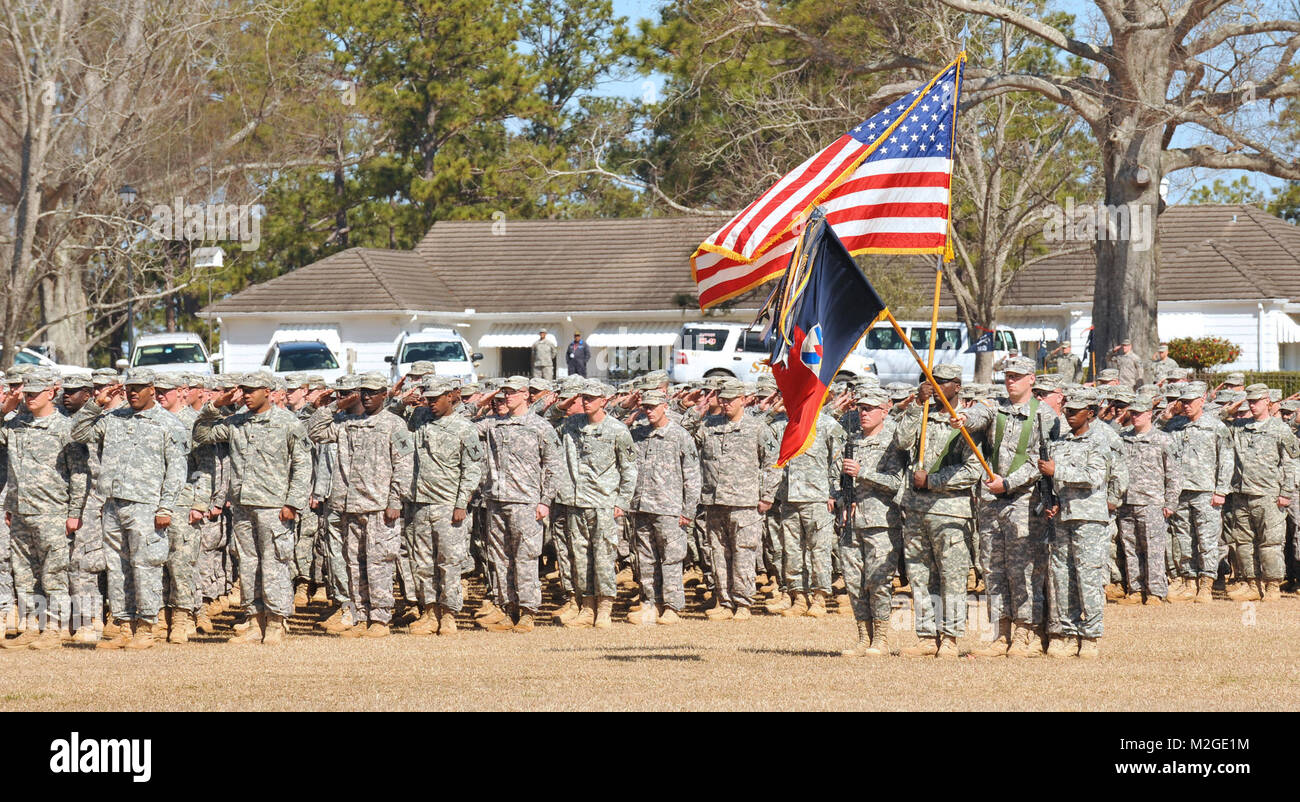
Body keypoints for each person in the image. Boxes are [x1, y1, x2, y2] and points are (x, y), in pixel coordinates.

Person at [70, 368, 188, 650]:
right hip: (112, 504)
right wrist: (96, 403)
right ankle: (124, 626)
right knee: (117, 567)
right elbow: (77, 432)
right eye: (129, 387)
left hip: (147, 506)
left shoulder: (168, 424)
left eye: (139, 387)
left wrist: (166, 506)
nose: (133, 392)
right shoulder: (112, 419)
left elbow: (177, 470)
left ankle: (146, 627)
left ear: (152, 388)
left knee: (145, 565)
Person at [194, 372, 313, 644]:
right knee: (248, 564)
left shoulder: (287, 423)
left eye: (252, 390)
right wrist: (215, 406)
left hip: (274, 506)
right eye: (243, 390)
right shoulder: (236, 423)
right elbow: (201, 434)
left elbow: (302, 465)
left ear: (268, 391)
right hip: (243, 505)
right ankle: (253, 619)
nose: (246, 394)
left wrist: (293, 503)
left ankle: (276, 621)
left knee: (275, 563)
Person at [965, 356, 1060, 658]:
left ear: (1032, 379)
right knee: (993, 567)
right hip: (992, 500)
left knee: (1024, 569)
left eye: (1017, 376)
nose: (1011, 381)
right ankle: (1001, 630)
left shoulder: (1044, 415)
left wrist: (1007, 483)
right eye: (1007, 375)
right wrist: (962, 418)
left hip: (1023, 499)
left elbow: (1040, 461)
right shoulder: (996, 407)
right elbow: (977, 417)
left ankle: (1026, 632)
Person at [307, 372, 414, 638]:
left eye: (372, 392)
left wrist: (394, 500)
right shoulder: (346, 422)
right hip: (348, 505)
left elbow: (404, 465)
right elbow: (314, 431)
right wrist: (336, 406)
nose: (366, 397)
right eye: (362, 392)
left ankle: (379, 618)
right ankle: (360, 616)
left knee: (380, 563)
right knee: (354, 564)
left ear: (384, 394)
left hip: (379, 507)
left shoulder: (394, 424)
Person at [892, 363, 984, 658]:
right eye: (931, 381)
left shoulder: (966, 423)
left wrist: (933, 481)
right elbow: (901, 441)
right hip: (917, 510)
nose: (935, 387)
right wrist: (918, 404)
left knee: (953, 576)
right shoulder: (923, 417)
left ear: (957, 386)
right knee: (920, 575)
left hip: (950, 511)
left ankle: (950, 637)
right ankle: (927, 635)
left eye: (942, 382)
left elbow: (974, 470)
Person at [0, 371, 88, 650]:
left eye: (35, 394)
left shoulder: (66, 428)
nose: (29, 399)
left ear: (51, 393)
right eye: (26, 394)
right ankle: (33, 624)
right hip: (20, 509)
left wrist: (75, 512)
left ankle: (56, 626)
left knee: (54, 572)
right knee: (24, 572)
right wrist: (5, 409)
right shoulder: (15, 425)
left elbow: (79, 474)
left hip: (52, 510)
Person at [477, 376, 561, 630]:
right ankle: (508, 608)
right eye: (505, 392)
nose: (507, 396)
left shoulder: (540, 426)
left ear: (526, 394)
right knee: (500, 558)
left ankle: (527, 611)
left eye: (513, 392)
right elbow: (461, 426)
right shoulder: (492, 424)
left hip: (525, 502)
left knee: (525, 556)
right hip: (496, 500)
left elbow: (553, 467)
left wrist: (545, 500)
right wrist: (484, 399)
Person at [695, 377, 777, 621]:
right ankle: (724, 601)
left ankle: (743, 603)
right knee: (718, 553)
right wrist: (696, 409)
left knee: (743, 552)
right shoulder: (708, 425)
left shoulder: (757, 428)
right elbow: (688, 443)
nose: (726, 403)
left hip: (745, 502)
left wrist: (767, 496)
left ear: (743, 400)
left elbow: (773, 463)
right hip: (714, 501)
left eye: (731, 399)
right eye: (723, 398)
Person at [407, 377, 483, 636]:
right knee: (422, 563)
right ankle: (429, 612)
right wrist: (403, 400)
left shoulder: (464, 428)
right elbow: (392, 414)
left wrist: (462, 502)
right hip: (420, 504)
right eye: (426, 399)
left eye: (434, 399)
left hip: (448, 505)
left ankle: (449, 615)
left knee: (449, 563)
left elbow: (472, 468)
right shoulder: (420, 420)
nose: (429, 404)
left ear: (450, 396)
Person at [560, 380, 637, 629]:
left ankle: (605, 608)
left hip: (603, 503)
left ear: (604, 400)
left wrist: (622, 501)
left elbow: (629, 469)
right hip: (576, 502)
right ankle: (587, 606)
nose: (585, 402)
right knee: (580, 559)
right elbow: (549, 418)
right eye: (583, 397)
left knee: (603, 558)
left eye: (591, 398)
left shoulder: (617, 430)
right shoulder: (572, 425)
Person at [1040, 388, 1109, 659]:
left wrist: (1059, 471)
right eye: (1066, 410)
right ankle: (1067, 633)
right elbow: (1049, 480)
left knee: (1088, 576)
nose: (1068, 415)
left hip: (1089, 517)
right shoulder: (1060, 443)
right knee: (1062, 576)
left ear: (1089, 414)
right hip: (1063, 517)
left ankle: (1090, 635)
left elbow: (1094, 476)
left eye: (1075, 411)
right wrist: (1051, 499)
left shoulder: (1098, 442)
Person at [838, 388, 904, 657]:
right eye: (860, 409)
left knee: (879, 582)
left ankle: (882, 639)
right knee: (854, 583)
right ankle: (863, 637)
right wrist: (841, 499)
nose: (863, 413)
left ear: (884, 411)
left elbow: (897, 483)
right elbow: (839, 479)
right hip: (851, 523)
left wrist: (863, 473)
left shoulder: (893, 442)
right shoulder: (852, 441)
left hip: (881, 521)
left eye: (869, 409)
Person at [628, 390, 699, 625]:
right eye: (645, 407)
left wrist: (688, 510)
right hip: (642, 506)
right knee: (645, 560)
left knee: (671, 559)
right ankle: (651, 603)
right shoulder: (639, 435)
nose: (649, 411)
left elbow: (692, 475)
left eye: (653, 406)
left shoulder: (680, 436)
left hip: (669, 508)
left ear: (665, 407)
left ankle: (671, 606)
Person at [1224, 384, 1298, 601]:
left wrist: (1286, 492)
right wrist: (1232, 407)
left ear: (1268, 401)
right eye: (1249, 401)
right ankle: (1251, 583)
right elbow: (1219, 421)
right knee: (1244, 542)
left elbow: (1291, 462)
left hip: (1269, 495)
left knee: (1271, 543)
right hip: (1242, 493)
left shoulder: (1280, 429)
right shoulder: (1240, 426)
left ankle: (1273, 585)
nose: (1252, 405)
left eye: (1256, 401)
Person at [1162, 382, 1231, 603]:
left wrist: (1221, 490)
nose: (1187, 406)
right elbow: (1154, 435)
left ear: (1202, 401)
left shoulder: (1215, 426)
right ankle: (1189, 582)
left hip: (1206, 491)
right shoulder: (1175, 425)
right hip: (1180, 491)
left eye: (1191, 401)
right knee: (1184, 539)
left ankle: (1206, 585)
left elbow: (1226, 460)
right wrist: (1165, 416)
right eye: (1183, 402)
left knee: (1207, 539)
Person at [1115, 396, 1181, 605]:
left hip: (1152, 502)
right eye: (1132, 413)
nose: (1134, 417)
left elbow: (1174, 474)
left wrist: (1170, 502)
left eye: (1139, 413)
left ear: (1149, 414)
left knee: (1153, 549)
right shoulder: (1123, 438)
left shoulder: (1163, 439)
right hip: (1126, 501)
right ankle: (1135, 589)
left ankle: (1155, 592)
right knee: (1130, 547)